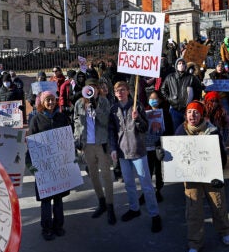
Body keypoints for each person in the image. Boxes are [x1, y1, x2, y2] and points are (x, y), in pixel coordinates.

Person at [174, 100, 229, 252]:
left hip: (211, 175)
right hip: (191, 176)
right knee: (193, 209)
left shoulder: (212, 131)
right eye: (190, 112)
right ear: (185, 115)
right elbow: (175, 153)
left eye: (196, 112)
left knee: (218, 204)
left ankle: (224, 231)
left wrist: (220, 174)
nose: (193, 115)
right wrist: (164, 155)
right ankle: (194, 242)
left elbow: (221, 154)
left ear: (202, 115)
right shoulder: (181, 131)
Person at [108, 81, 162, 233]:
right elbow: (111, 131)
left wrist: (137, 118)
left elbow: (145, 128)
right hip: (123, 152)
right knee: (129, 184)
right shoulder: (113, 109)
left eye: (123, 90)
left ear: (128, 91)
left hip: (138, 150)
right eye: (117, 90)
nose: (120, 93)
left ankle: (155, 214)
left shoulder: (136, 106)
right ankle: (134, 208)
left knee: (146, 185)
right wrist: (113, 148)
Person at [27, 90, 71, 241]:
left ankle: (58, 225)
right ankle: (46, 228)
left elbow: (67, 139)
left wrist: (72, 157)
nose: (51, 103)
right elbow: (31, 142)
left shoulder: (61, 117)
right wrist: (31, 164)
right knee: (46, 199)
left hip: (58, 164)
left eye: (53, 100)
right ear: (42, 103)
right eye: (48, 100)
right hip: (43, 165)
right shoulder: (36, 119)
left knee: (58, 197)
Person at [73, 80, 116, 225]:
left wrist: (96, 108)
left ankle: (110, 206)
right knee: (93, 175)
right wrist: (77, 139)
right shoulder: (79, 103)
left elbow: (106, 122)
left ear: (98, 89)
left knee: (106, 175)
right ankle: (101, 202)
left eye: (95, 88)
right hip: (87, 145)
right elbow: (77, 122)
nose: (93, 90)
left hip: (101, 143)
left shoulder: (103, 102)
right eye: (89, 88)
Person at [145, 90, 173, 203]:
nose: (152, 100)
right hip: (147, 146)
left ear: (160, 100)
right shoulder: (144, 112)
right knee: (148, 169)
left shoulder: (165, 113)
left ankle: (158, 190)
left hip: (159, 146)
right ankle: (147, 191)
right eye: (150, 98)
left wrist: (165, 142)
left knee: (158, 170)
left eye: (155, 98)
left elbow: (170, 129)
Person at [161, 57, 203, 130]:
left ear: (186, 66)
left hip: (188, 109)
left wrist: (193, 102)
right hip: (174, 109)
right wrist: (169, 99)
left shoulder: (191, 78)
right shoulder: (170, 77)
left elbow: (198, 90)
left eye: (183, 63)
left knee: (188, 129)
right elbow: (163, 89)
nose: (181, 65)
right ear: (176, 65)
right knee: (177, 129)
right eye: (179, 63)